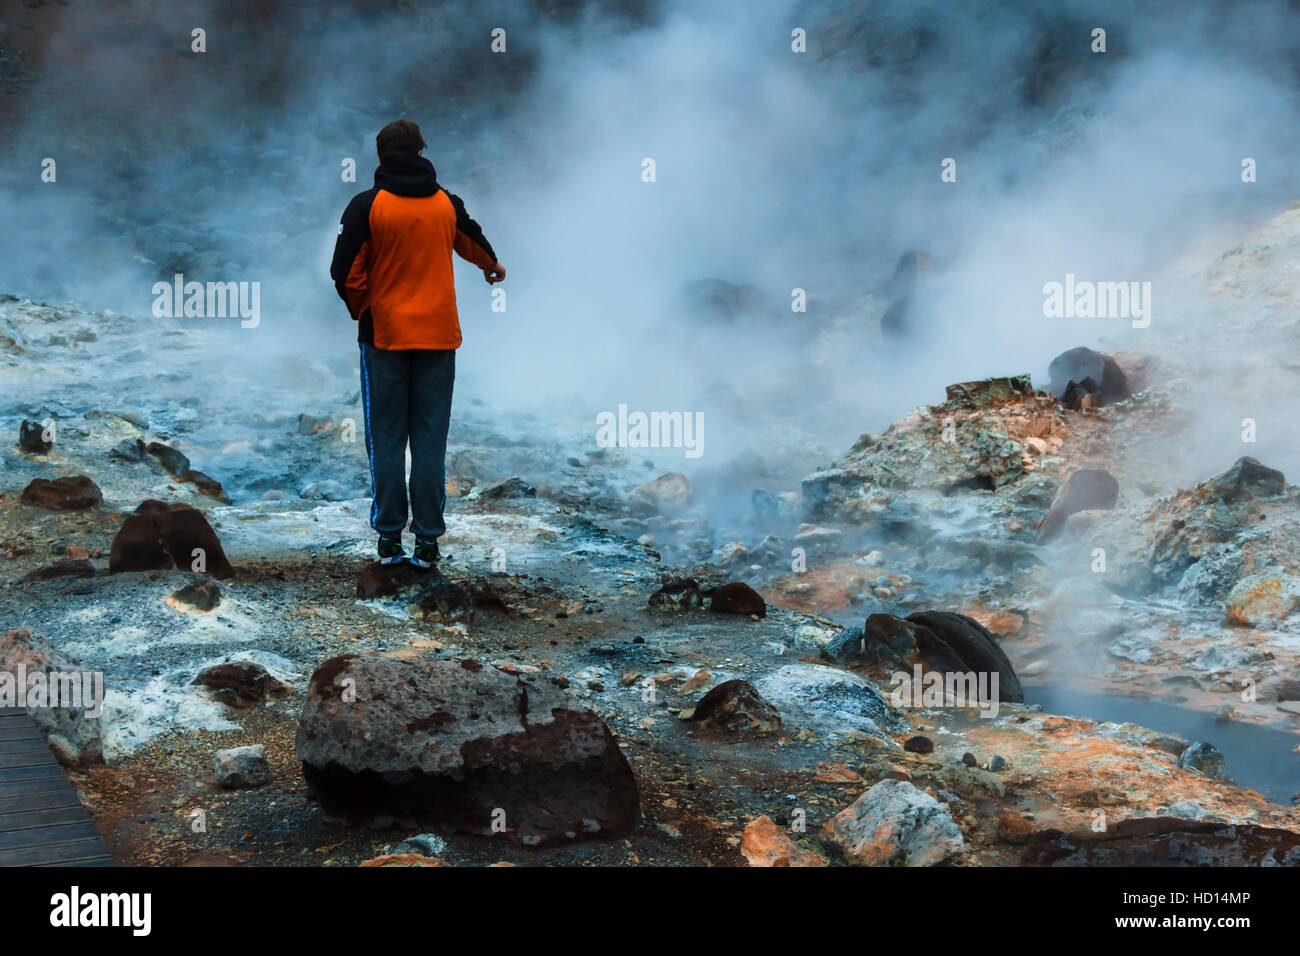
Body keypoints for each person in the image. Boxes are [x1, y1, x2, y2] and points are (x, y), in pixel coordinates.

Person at [330, 119, 505, 567]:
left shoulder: (367, 206)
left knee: (387, 440)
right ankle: (427, 542)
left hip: (385, 338)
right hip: (438, 337)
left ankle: (389, 540)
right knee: (429, 441)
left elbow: (345, 271)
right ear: (422, 153)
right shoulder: (446, 202)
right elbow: (474, 242)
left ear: (381, 157)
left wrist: (364, 309)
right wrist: (493, 268)